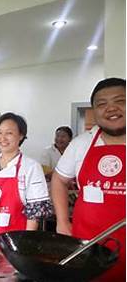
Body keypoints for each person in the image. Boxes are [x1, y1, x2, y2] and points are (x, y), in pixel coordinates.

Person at [51, 78, 125, 280]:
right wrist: (62, 221)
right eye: (102, 104)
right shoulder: (81, 144)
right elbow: (59, 180)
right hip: (86, 246)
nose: (111, 108)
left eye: (120, 100)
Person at [0, 113, 52, 247]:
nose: (3, 138)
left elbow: (34, 213)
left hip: (15, 244)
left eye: (9, 133)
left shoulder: (30, 167)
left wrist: (25, 245)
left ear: (21, 136)